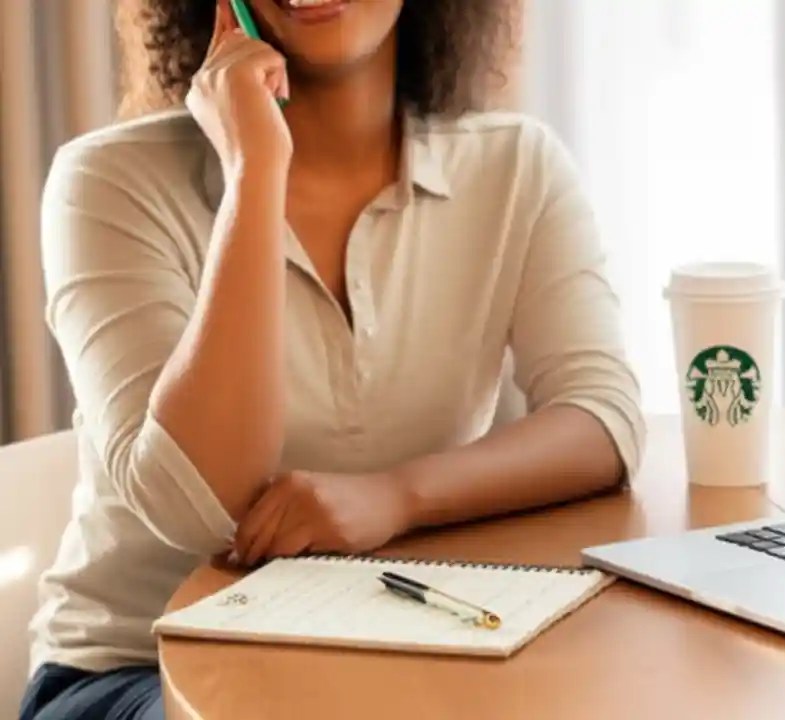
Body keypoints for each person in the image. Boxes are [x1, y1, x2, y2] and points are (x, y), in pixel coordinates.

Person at [20, 0, 644, 717]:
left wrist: (396, 496)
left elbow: (601, 418)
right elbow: (198, 507)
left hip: (389, 651)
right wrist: (256, 171)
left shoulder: (515, 168)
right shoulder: (107, 181)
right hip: (137, 670)